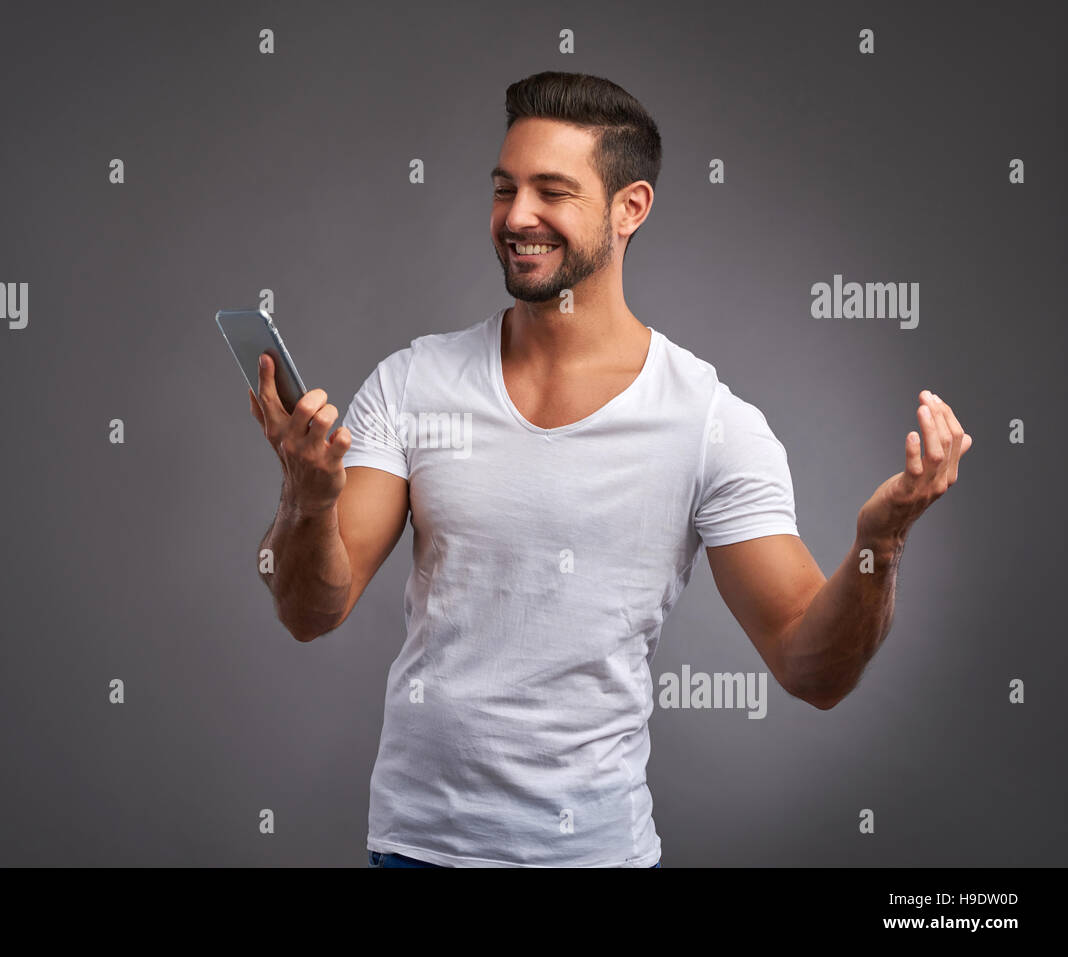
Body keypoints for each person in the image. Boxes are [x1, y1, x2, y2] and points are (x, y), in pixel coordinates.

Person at [249, 71, 971, 868]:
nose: (516, 216)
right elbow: (312, 609)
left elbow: (812, 666)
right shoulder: (414, 383)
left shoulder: (709, 422)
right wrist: (306, 500)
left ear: (631, 209)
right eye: (504, 188)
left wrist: (881, 544)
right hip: (415, 851)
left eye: (551, 191)